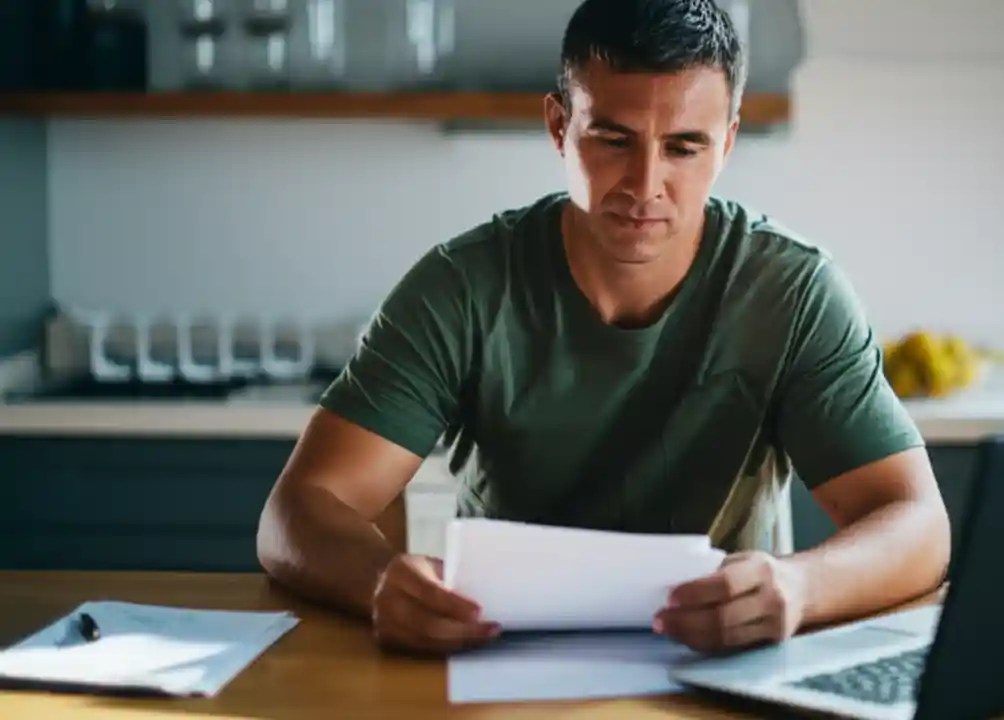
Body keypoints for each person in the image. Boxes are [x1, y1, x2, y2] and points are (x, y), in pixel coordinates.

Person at [256, 0, 950, 657]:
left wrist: (801, 587)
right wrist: (380, 580)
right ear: (559, 126)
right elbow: (297, 511)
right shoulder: (460, 288)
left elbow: (918, 523)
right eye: (614, 140)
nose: (645, 185)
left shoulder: (794, 292)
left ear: (728, 142)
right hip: (501, 655)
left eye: (684, 147)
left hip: (723, 660)